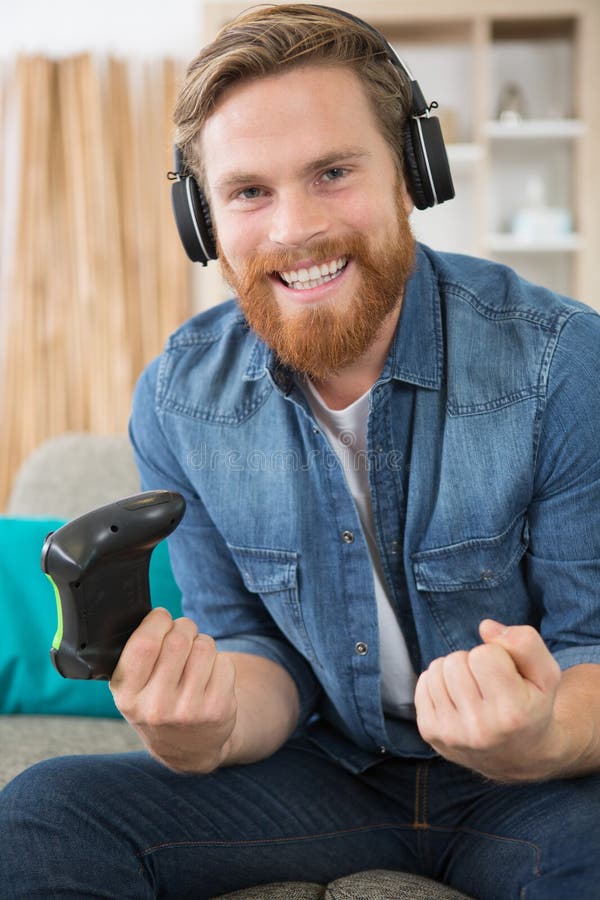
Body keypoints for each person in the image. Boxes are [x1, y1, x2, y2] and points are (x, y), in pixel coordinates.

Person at [1, 4, 600, 898]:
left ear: (413, 174)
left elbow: (591, 649)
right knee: (43, 812)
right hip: (328, 776)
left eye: (332, 171)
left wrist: (540, 735)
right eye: (249, 191)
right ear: (202, 223)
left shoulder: (560, 361)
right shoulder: (177, 400)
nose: (294, 230)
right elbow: (254, 650)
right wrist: (206, 726)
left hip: (537, 792)